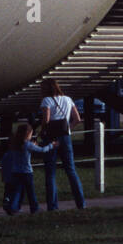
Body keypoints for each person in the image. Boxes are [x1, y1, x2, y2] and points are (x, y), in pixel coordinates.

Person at [39, 79, 86, 210]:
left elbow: (46, 119)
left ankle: (52, 206)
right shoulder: (68, 99)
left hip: (51, 137)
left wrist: (41, 131)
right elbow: (77, 119)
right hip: (66, 137)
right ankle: (81, 203)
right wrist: (68, 128)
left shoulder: (46, 100)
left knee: (50, 172)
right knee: (71, 170)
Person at [1, 123, 54, 214]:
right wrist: (51, 145)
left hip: (16, 172)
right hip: (27, 172)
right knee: (30, 192)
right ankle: (34, 208)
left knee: (17, 190)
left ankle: (12, 206)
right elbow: (42, 150)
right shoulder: (28, 145)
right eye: (31, 134)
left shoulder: (15, 144)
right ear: (27, 134)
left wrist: (32, 144)